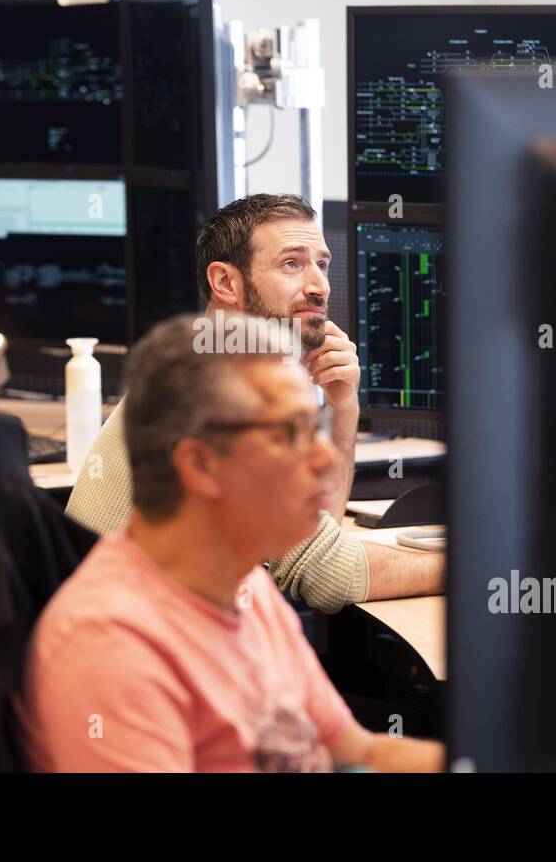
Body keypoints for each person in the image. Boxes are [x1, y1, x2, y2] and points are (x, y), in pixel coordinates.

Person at [22, 313, 445, 772]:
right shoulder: (112, 647)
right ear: (201, 466)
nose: (326, 458)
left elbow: (356, 750)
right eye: (289, 434)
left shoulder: (242, 583)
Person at [66, 193, 444, 612]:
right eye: (291, 264)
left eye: (322, 264)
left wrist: (343, 409)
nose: (319, 285)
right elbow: (333, 577)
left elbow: (312, 532)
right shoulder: (214, 389)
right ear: (225, 282)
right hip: (144, 651)